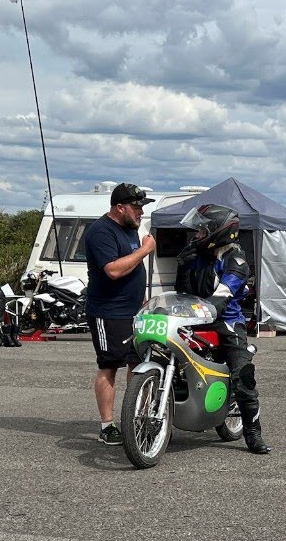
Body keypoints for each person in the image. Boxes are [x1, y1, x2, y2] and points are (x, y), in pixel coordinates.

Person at [174, 204, 270, 454]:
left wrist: (204, 310)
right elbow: (181, 293)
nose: (195, 236)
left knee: (243, 374)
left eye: (201, 231)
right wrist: (182, 267)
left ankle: (253, 432)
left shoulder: (235, 260)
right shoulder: (194, 255)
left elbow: (223, 296)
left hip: (226, 321)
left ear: (218, 232)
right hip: (193, 319)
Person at [82, 183, 156, 445]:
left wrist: (142, 299)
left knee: (139, 364)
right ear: (119, 207)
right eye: (136, 208)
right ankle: (107, 426)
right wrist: (144, 251)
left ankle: (135, 417)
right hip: (108, 312)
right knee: (110, 365)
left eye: (142, 208)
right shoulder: (101, 232)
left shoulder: (130, 229)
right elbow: (113, 270)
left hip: (134, 311)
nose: (140, 213)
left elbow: (132, 267)